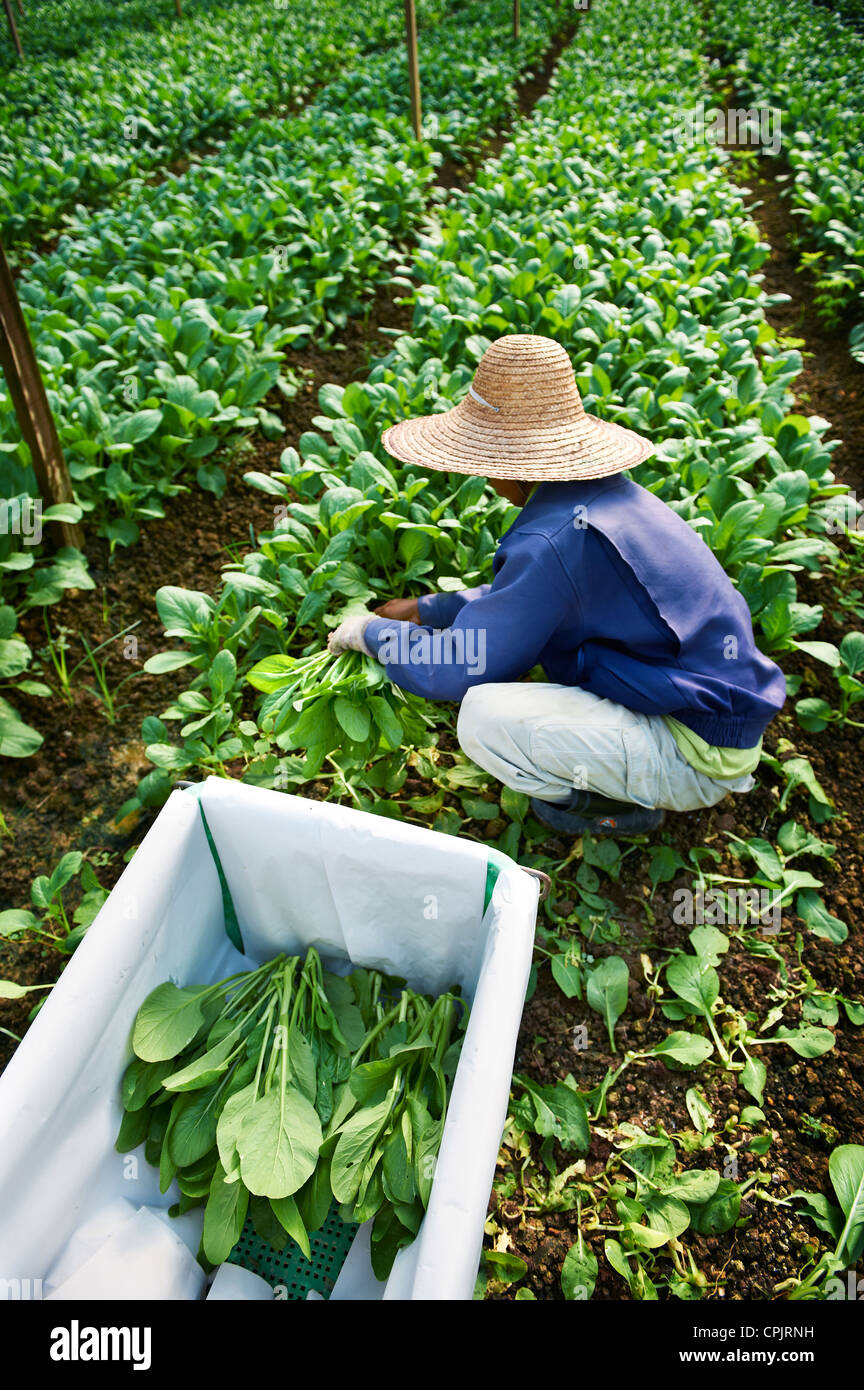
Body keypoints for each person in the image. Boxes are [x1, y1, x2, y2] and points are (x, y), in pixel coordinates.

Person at [327, 334, 786, 837]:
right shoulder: (606, 501)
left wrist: (369, 635)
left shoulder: (552, 540)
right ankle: (623, 776)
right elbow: (530, 603)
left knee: (484, 718)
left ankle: (611, 809)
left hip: (696, 751)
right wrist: (426, 609)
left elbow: (455, 667)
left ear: (509, 465)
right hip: (723, 719)